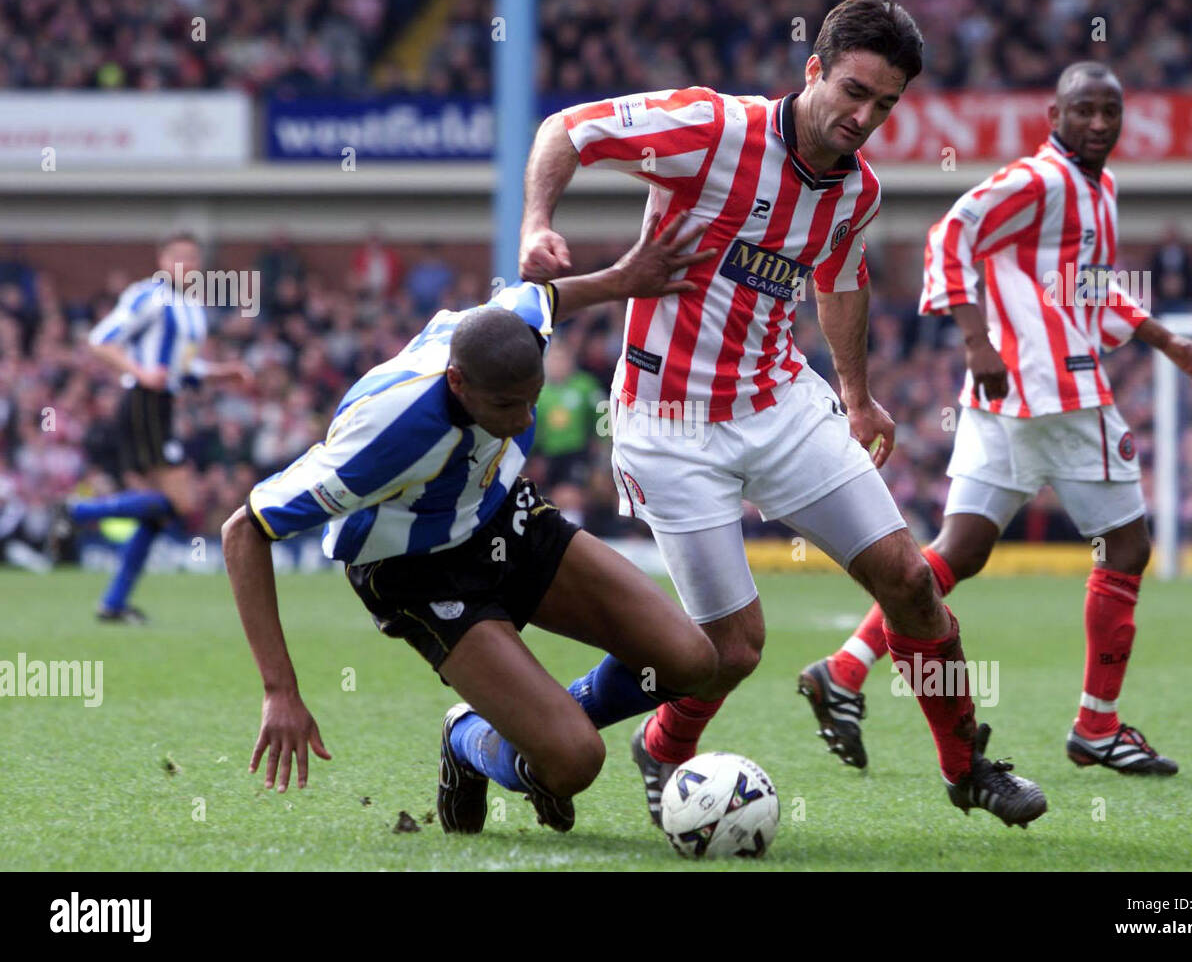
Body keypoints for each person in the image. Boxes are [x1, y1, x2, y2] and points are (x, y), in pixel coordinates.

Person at [520, 0, 1047, 828]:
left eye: (886, 104)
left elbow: (839, 276)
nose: (865, 116)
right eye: (853, 91)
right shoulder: (709, 129)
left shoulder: (857, 190)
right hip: (669, 424)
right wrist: (538, 223)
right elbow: (566, 130)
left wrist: (857, 393)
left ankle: (966, 764)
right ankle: (654, 746)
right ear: (813, 71)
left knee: (910, 580)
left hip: (779, 403)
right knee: (728, 652)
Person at [222, 213, 721, 834]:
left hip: (503, 513)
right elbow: (243, 530)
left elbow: (546, 297)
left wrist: (626, 277)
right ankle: (470, 739)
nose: (522, 419)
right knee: (572, 762)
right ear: (458, 382)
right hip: (420, 574)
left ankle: (529, 724)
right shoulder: (390, 435)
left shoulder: (516, 332)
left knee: (694, 661)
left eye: (531, 400)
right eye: (505, 406)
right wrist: (280, 691)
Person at [805, 62, 1192, 776]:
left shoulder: (1099, 188)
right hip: (1060, 392)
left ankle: (844, 670)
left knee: (959, 550)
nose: (1097, 123)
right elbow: (948, 234)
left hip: (1000, 398)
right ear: (1054, 118)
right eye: (1083, 111)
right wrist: (976, 339)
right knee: (1126, 548)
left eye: (1108, 113)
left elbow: (1087, 285)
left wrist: (1162, 339)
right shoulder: (1040, 180)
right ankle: (1097, 725)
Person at [58, 232, 251, 622]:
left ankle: (113, 602)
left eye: (193, 258)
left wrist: (219, 374)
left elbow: (183, 369)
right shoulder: (149, 296)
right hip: (144, 405)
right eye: (179, 257)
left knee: (157, 514)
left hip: (161, 407)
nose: (187, 265)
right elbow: (101, 340)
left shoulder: (192, 307)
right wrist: (140, 373)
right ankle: (77, 512)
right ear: (163, 260)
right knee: (183, 503)